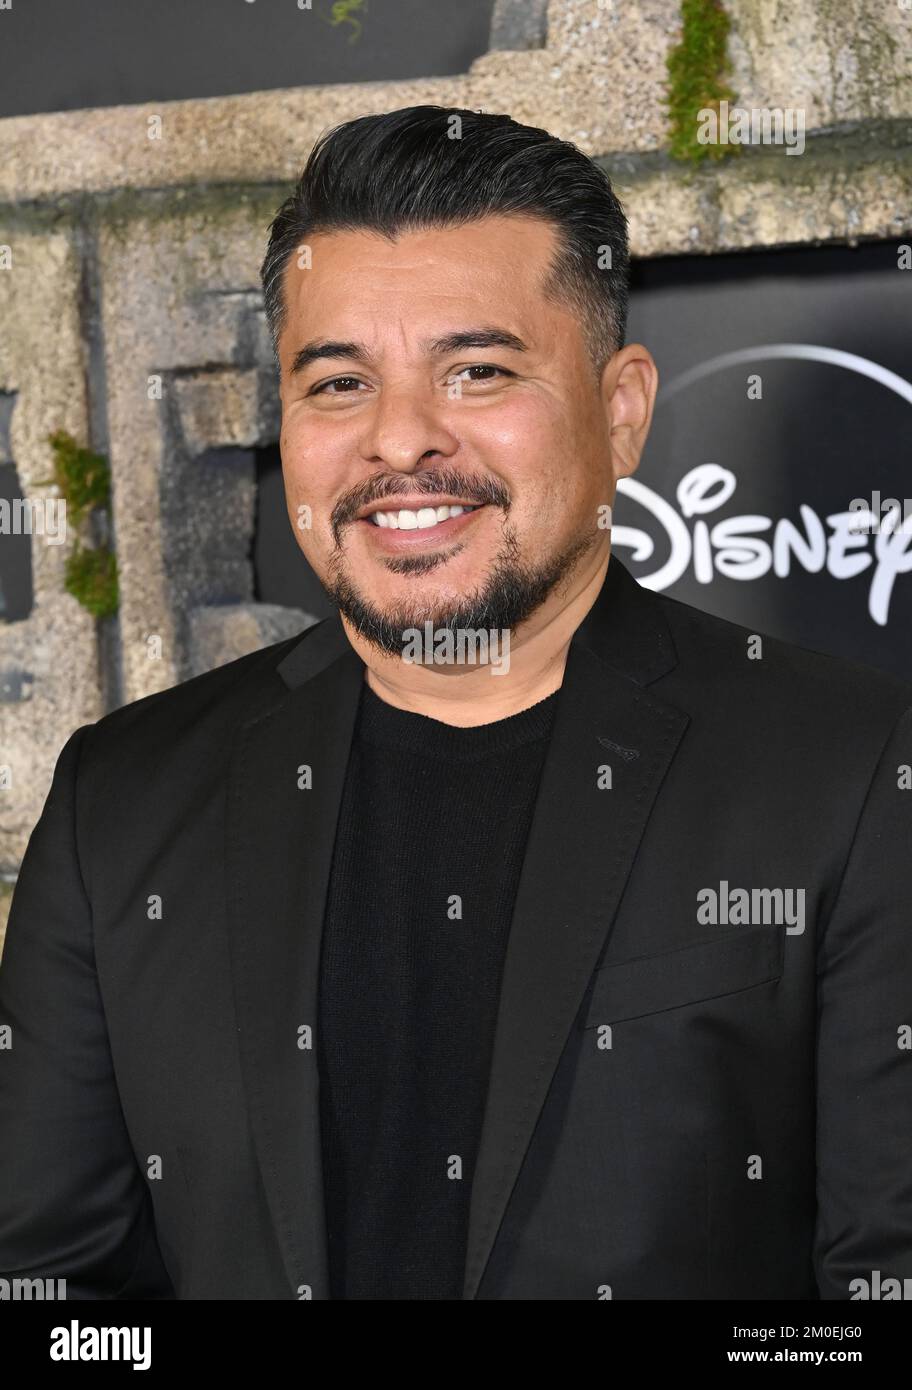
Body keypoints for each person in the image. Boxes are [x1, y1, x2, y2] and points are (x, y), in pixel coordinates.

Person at [1, 105, 910, 1301]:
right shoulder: (119, 798)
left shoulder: (848, 772)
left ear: (621, 411)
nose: (400, 441)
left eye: (477, 370)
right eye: (338, 382)